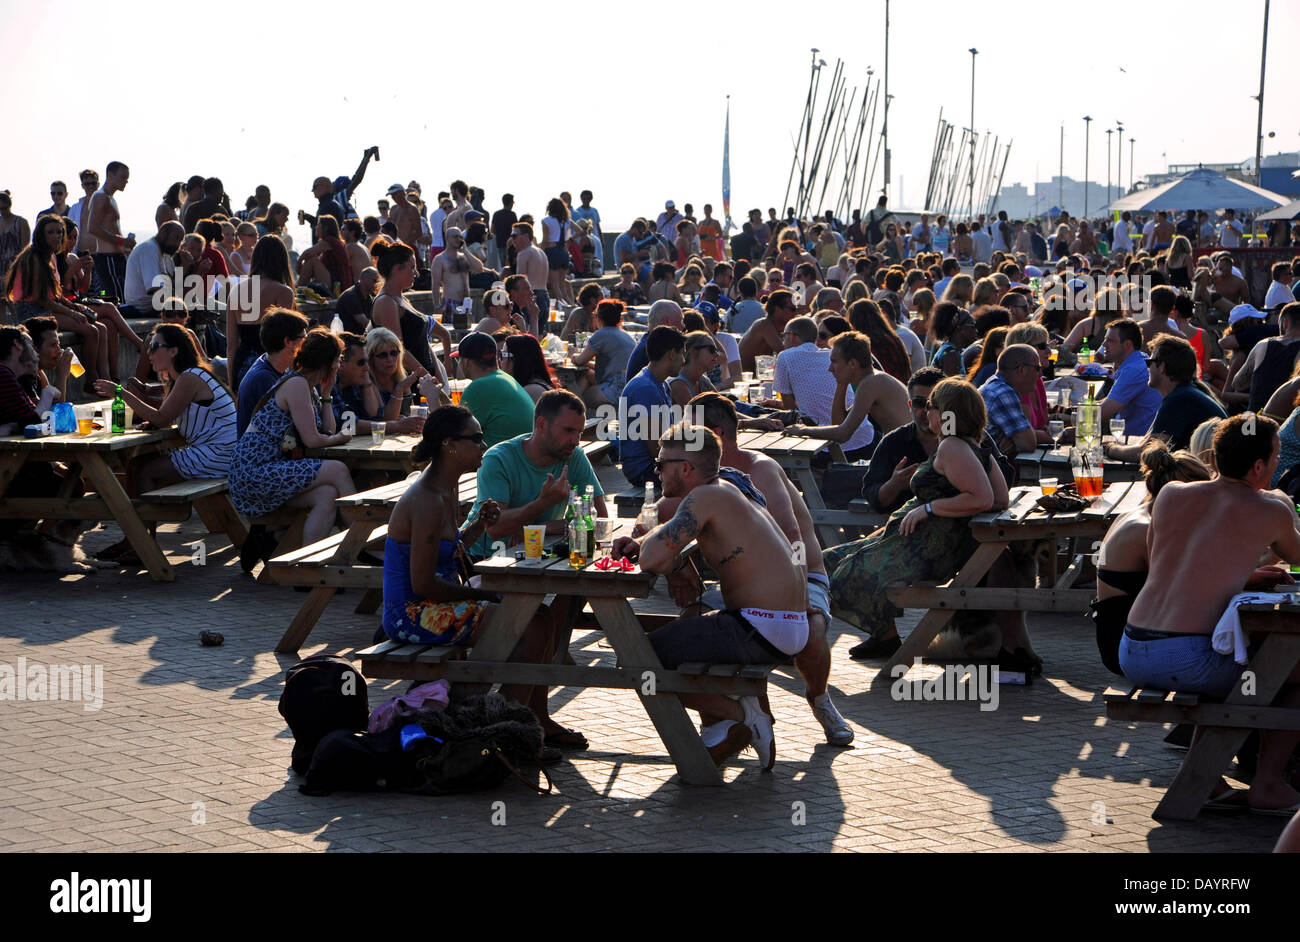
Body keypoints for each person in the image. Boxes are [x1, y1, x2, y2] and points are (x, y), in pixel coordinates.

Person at [1123, 414, 1300, 813]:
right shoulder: (1269, 509)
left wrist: (1240, 575)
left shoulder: (1171, 494)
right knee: (1285, 671)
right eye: (1275, 456)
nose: (1278, 464)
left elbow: (1163, 564)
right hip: (1185, 658)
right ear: (1258, 467)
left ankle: (1210, 779)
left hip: (1132, 647)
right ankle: (1268, 784)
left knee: (1234, 662)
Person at [611, 423, 808, 769]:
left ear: (684, 468)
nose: (656, 472)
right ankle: (723, 731)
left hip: (759, 626)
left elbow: (652, 560)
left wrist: (645, 545)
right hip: (781, 624)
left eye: (660, 465)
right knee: (689, 624)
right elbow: (665, 541)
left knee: (637, 658)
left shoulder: (704, 497)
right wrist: (645, 540)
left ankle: (743, 714)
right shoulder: (727, 487)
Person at [824, 377, 1010, 659]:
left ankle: (807, 641)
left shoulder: (953, 447)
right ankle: (883, 636)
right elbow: (999, 499)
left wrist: (929, 509)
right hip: (924, 544)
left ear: (947, 413)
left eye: (932, 406)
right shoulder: (972, 445)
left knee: (842, 570)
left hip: (927, 552)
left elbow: (982, 498)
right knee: (828, 560)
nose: (926, 413)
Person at [89, 325, 237, 564]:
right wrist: (153, 421)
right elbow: (165, 417)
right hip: (219, 453)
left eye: (155, 346)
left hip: (219, 455)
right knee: (138, 465)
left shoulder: (190, 377)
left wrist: (121, 393)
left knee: (143, 468)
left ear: (174, 351)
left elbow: (161, 418)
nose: (149, 352)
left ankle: (141, 542)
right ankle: (137, 540)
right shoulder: (186, 377)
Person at [227, 328, 357, 546]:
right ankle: (360, 540)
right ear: (326, 362)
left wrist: (326, 395)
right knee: (338, 470)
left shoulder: (309, 387)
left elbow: (327, 431)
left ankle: (307, 565)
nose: (339, 366)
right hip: (253, 473)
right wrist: (341, 438)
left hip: (270, 470)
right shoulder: (296, 384)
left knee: (327, 494)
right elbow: (314, 441)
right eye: (337, 360)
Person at [1093, 442, 1212, 675]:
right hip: (1127, 648)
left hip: (1130, 639)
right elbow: (1187, 587)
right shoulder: (1145, 529)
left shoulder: (1141, 513)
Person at [4, 214, 117, 385]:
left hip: (46, 307)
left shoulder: (51, 256)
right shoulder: (34, 257)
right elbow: (41, 299)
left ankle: (106, 378)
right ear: (41, 235)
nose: (56, 236)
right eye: (50, 232)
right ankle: (91, 381)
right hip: (31, 310)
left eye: (59, 232)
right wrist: (72, 313)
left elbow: (55, 294)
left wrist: (72, 305)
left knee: (101, 327)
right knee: (91, 330)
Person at [784, 330, 910, 460]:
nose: (830, 368)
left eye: (834, 361)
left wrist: (803, 431)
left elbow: (843, 435)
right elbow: (838, 422)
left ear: (853, 364)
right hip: (901, 450)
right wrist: (841, 383)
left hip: (908, 454)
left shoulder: (871, 383)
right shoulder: (871, 379)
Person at [1107, 334, 1227, 460]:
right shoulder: (1184, 393)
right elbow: (1147, 442)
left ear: (1162, 367)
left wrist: (1110, 449)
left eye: (1149, 363)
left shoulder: (1179, 399)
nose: (1147, 369)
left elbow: (1147, 451)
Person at [771, 316, 874, 454]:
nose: (830, 369)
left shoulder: (785, 356)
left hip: (824, 445)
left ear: (793, 336)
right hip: (865, 438)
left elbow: (791, 411)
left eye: (784, 336)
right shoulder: (831, 356)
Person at [370, 240, 451, 381]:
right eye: (412, 267)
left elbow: (423, 342)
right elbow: (400, 351)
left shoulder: (402, 299)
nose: (416, 273)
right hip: (410, 381)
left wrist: (437, 376)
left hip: (426, 379)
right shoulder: (386, 302)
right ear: (397, 269)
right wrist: (428, 378)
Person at [226, 234, 298, 388]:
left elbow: (232, 345)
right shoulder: (283, 292)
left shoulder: (236, 291)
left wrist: (231, 383)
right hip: (269, 366)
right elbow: (287, 341)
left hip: (242, 364)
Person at [619, 326, 685, 488]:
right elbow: (656, 448)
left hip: (652, 465)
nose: (684, 360)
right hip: (643, 470)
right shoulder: (645, 388)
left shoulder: (659, 383)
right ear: (671, 354)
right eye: (682, 353)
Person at [236, 307, 309, 435]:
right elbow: (287, 427)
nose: (306, 343)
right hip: (260, 453)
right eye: (304, 338)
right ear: (288, 342)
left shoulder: (269, 363)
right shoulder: (263, 378)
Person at [332, 331, 420, 436]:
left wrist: (367, 384)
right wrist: (397, 426)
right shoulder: (329, 383)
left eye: (394, 353)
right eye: (361, 363)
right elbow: (348, 426)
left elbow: (375, 417)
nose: (366, 367)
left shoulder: (356, 382)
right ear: (340, 364)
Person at [457, 332, 536, 447]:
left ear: (466, 362)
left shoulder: (478, 388)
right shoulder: (506, 378)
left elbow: (452, 437)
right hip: (522, 459)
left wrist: (432, 398)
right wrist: (439, 394)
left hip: (502, 463)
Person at [1098, 318, 1162, 437]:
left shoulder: (1133, 369)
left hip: (1136, 442)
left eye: (1110, 341)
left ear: (1127, 345)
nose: (1103, 344)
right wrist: (1077, 408)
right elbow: (1110, 401)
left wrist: (1067, 416)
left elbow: (1101, 413)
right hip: (1132, 438)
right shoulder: (1139, 359)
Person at [1233, 302, 1300, 413]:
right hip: (1283, 424)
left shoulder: (1262, 345)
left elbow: (1238, 384)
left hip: (1253, 424)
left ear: (1285, 323)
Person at [572, 298, 636, 408]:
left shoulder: (601, 334)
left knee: (582, 398)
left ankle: (573, 409)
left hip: (616, 389)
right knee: (587, 374)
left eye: (595, 315)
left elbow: (579, 361)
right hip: (629, 386)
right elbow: (609, 367)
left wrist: (573, 355)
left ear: (599, 318)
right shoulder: (625, 335)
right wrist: (587, 364)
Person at [364, 327, 426, 422]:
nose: (390, 359)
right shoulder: (367, 382)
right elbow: (386, 420)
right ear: (370, 358)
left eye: (394, 353)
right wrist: (399, 389)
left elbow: (408, 415)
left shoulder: (400, 378)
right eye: (383, 355)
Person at [625, 299, 684, 379]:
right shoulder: (651, 350)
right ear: (667, 322)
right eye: (680, 321)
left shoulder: (648, 343)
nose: (683, 326)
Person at [510, 223, 551, 333]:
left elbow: (519, 282)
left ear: (526, 235)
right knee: (539, 335)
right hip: (545, 296)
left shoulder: (524, 253)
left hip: (530, 298)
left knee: (527, 334)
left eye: (514, 236)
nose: (512, 239)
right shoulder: (541, 252)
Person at [499, 332, 556, 404]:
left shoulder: (530, 390)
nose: (499, 360)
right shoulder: (535, 385)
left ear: (517, 359)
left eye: (502, 355)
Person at [928, 302, 977, 376]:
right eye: (972, 326)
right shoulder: (951, 355)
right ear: (960, 329)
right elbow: (951, 387)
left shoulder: (950, 350)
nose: (976, 330)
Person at [335, 267, 379, 334]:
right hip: (347, 339)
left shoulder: (367, 297)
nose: (377, 285)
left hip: (359, 337)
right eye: (375, 281)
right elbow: (365, 324)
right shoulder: (351, 296)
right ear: (365, 279)